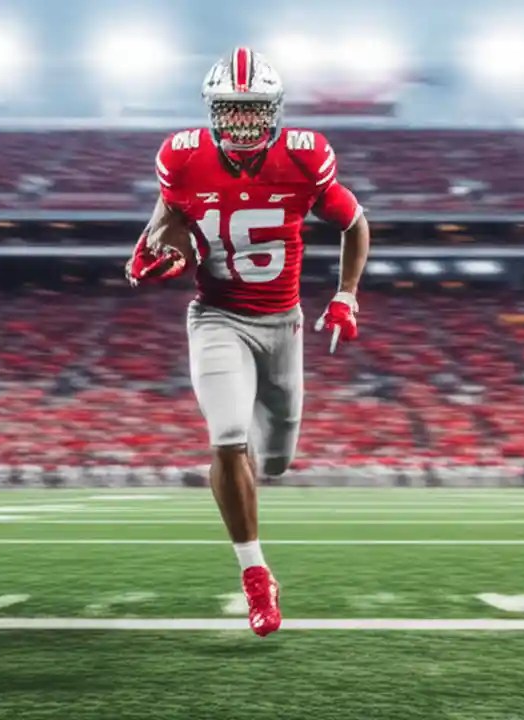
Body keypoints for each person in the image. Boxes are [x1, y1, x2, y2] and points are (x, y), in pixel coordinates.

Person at [125, 47, 371, 636]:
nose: (241, 123)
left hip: (282, 322)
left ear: (275, 111)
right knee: (228, 436)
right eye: (231, 112)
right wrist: (151, 249)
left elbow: (354, 223)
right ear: (213, 113)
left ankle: (252, 470)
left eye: (253, 111)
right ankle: (256, 575)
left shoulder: (306, 159)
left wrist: (346, 294)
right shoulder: (181, 159)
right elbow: (168, 217)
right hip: (217, 317)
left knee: (277, 460)